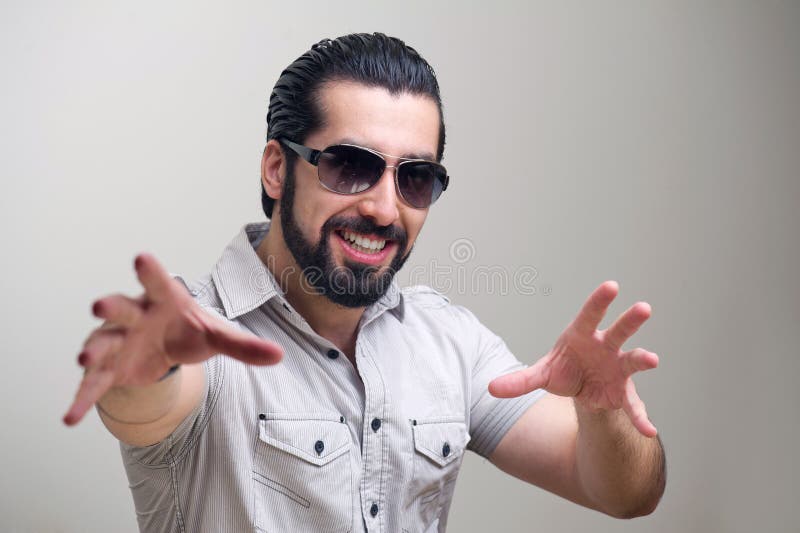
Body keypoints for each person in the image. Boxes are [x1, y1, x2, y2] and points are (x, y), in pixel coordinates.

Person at [64, 33, 665, 532]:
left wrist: (602, 413)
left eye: (416, 178)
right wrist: (146, 368)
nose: (383, 208)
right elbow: (149, 404)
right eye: (351, 166)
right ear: (278, 169)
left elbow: (623, 494)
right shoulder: (198, 334)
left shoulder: (448, 341)